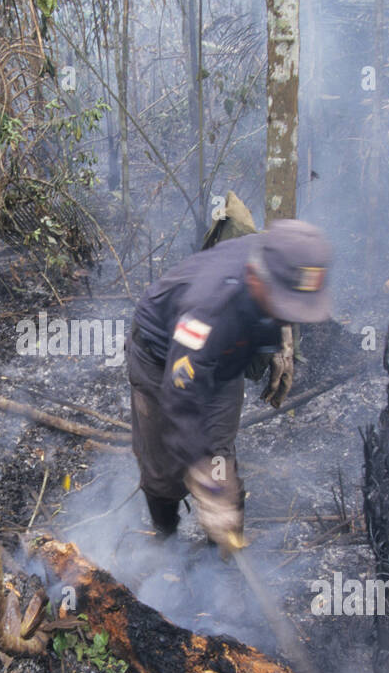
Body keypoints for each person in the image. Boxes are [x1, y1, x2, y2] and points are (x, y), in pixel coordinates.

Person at [127, 219, 334, 555]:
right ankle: (166, 543)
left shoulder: (280, 254)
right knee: (164, 466)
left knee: (219, 451)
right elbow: (182, 397)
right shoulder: (207, 308)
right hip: (162, 354)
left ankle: (221, 555)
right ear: (255, 280)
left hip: (225, 356)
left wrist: (282, 339)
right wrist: (204, 477)